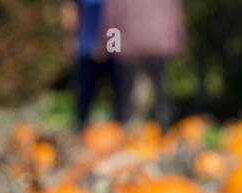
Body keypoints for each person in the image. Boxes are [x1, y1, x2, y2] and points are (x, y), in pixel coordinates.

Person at [101, 0, 186, 130]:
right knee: (159, 92)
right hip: (158, 42)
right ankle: (162, 129)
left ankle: (126, 129)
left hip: (129, 45)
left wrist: (110, 47)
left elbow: (111, 18)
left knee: (126, 95)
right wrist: (178, 41)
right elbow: (174, 13)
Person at [63, 0, 115, 131]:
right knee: (84, 92)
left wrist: (107, 45)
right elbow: (71, 11)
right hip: (86, 46)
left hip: (113, 47)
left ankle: (120, 128)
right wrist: (70, 37)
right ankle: (81, 127)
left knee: (118, 93)